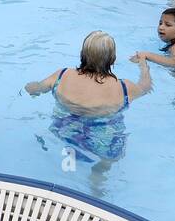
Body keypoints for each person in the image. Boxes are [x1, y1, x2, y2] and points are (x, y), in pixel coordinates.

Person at [24, 31, 151, 167]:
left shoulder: (62, 75)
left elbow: (35, 89)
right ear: (112, 59)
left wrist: (30, 87)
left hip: (64, 129)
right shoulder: (124, 87)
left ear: (82, 54)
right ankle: (98, 175)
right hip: (103, 137)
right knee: (108, 159)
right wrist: (143, 63)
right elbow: (145, 87)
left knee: (65, 158)